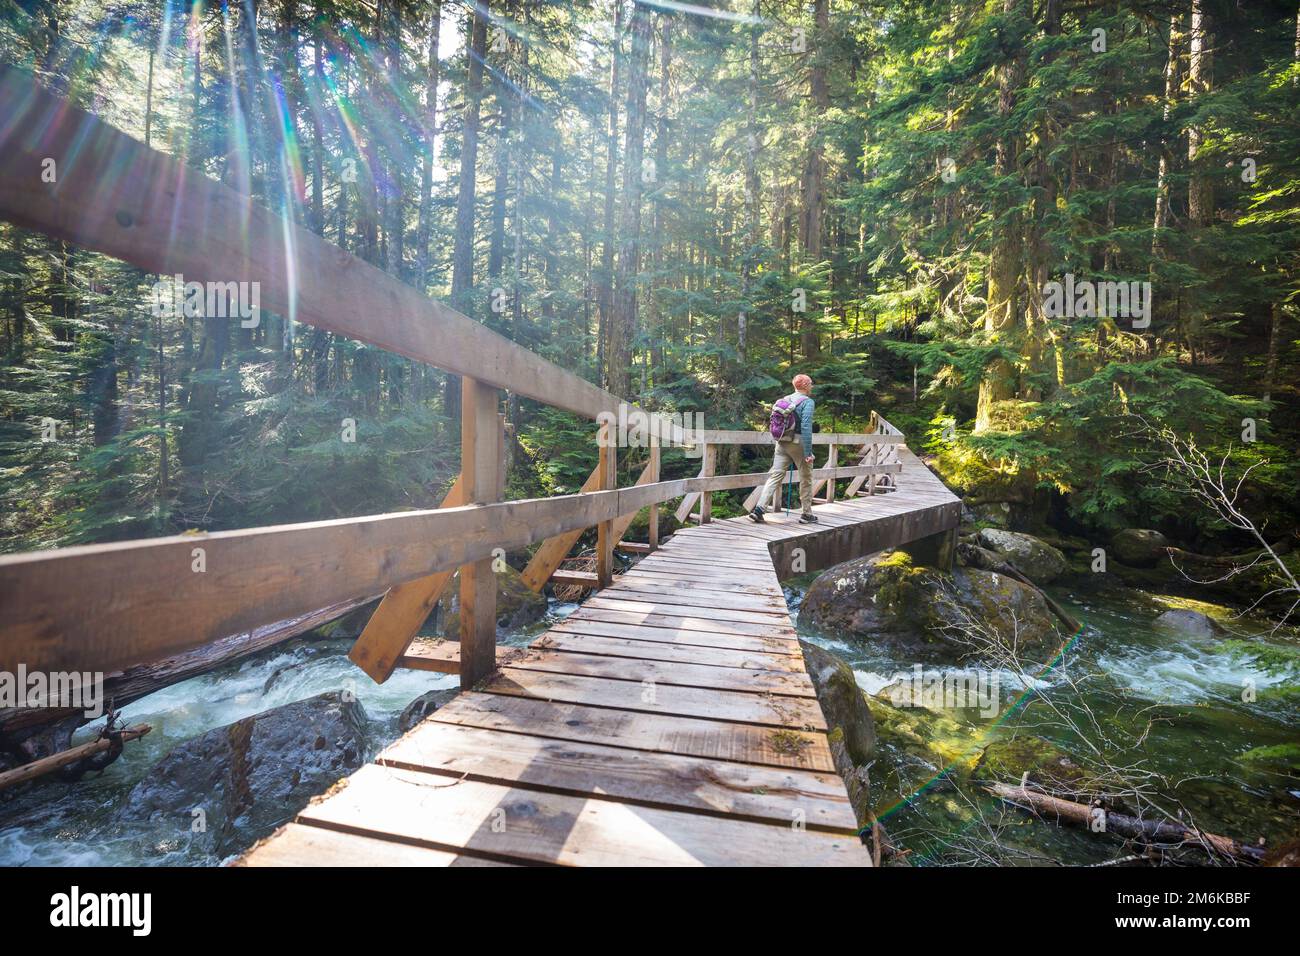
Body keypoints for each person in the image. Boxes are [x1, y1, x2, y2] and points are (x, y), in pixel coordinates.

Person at [751, 374, 818, 523]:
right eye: (811, 384)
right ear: (806, 386)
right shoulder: (808, 402)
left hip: (781, 442)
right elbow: (806, 427)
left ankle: (759, 509)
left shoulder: (785, 399)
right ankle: (807, 514)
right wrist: (808, 452)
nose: (812, 386)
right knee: (806, 477)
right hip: (797, 443)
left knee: (775, 475)